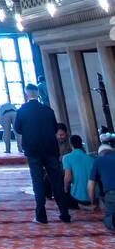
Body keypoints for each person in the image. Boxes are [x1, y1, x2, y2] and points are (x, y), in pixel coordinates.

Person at [13, 83, 71, 224]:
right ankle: (64, 214)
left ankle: (41, 216)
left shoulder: (22, 110)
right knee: (56, 181)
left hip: (33, 150)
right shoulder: (48, 110)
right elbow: (54, 128)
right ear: (38, 93)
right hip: (50, 149)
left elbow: (18, 129)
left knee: (37, 181)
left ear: (27, 93)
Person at [62, 134, 94, 208]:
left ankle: (82, 206)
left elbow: (68, 179)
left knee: (63, 199)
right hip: (93, 196)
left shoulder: (67, 157)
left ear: (71, 144)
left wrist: (65, 190)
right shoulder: (91, 158)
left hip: (78, 197)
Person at [88, 144, 115, 231]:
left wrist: (92, 203)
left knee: (109, 220)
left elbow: (91, 185)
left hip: (112, 194)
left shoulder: (98, 161)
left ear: (100, 153)